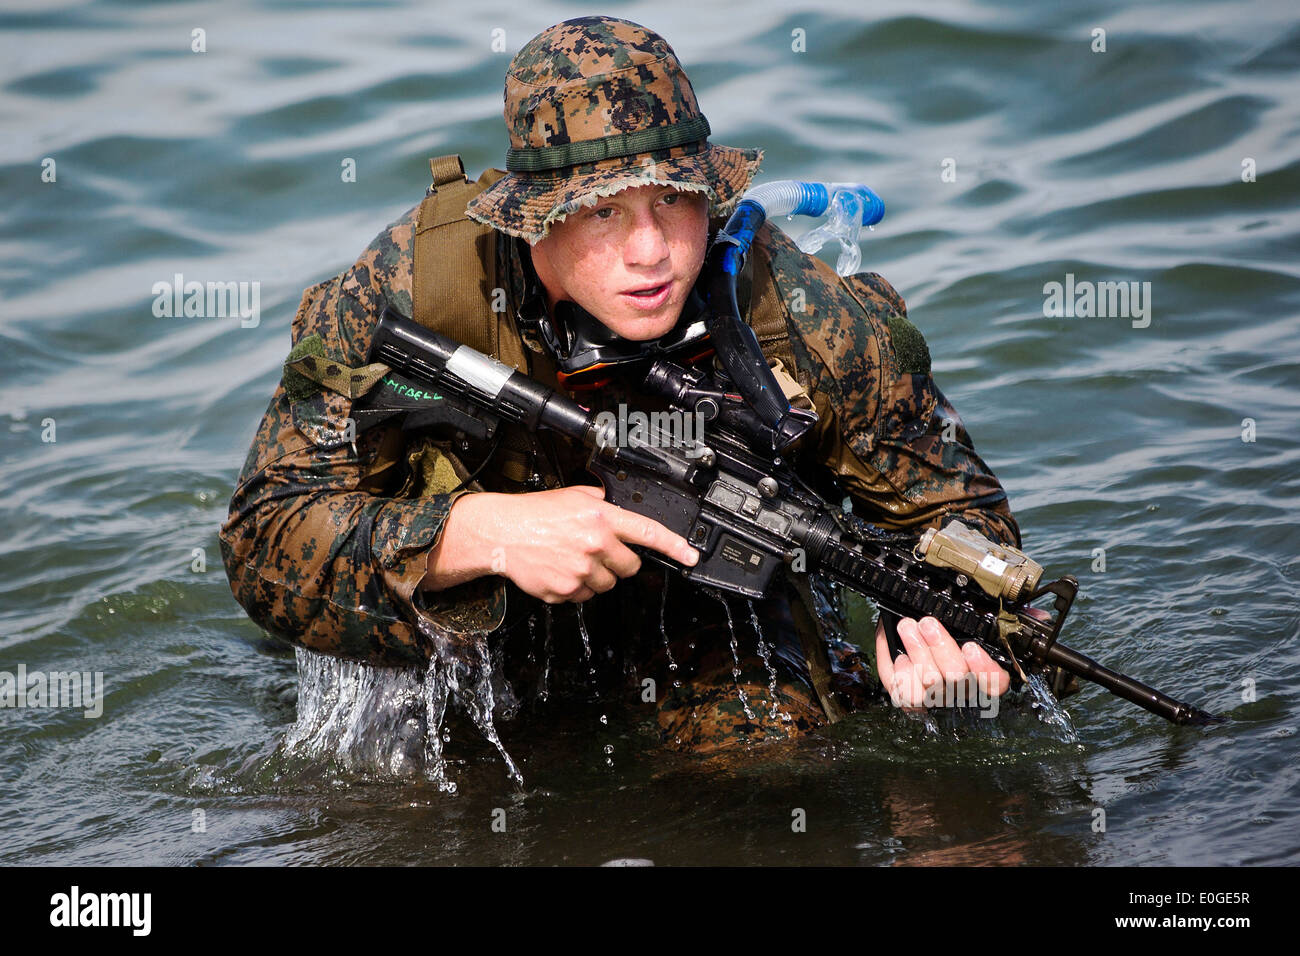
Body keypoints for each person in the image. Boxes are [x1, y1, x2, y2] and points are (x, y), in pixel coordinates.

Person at [220, 16, 1022, 756]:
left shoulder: (798, 311)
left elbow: (960, 519)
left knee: (779, 763)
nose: (652, 251)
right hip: (477, 621)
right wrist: (478, 533)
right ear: (533, 216)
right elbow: (264, 541)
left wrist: (954, 655)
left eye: (675, 200)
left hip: (705, 598)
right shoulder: (408, 291)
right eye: (603, 211)